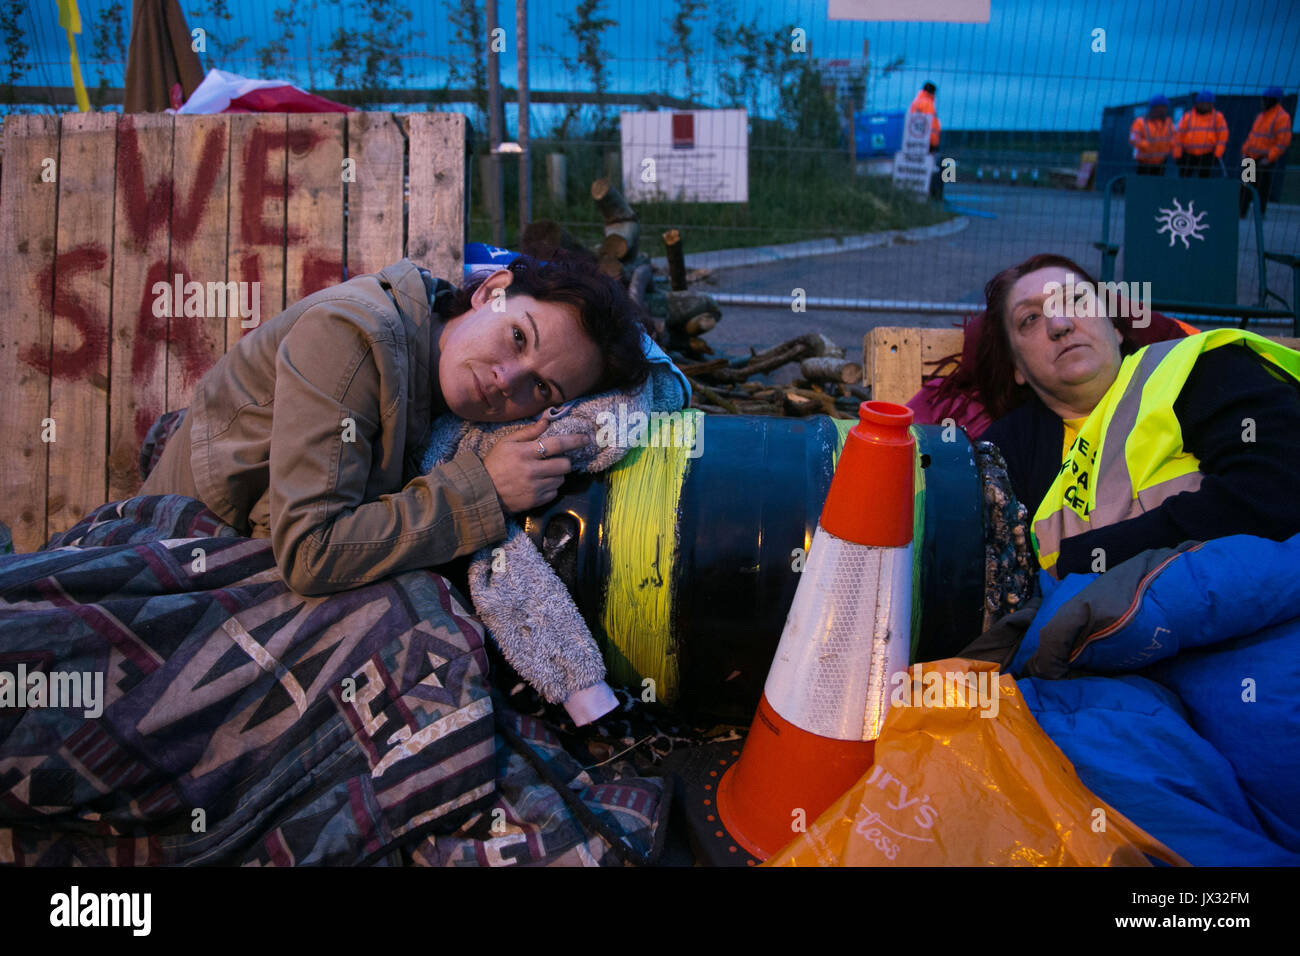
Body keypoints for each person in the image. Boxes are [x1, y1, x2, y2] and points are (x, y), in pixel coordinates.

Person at [141, 253, 653, 596]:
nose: (506, 379)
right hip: (167, 564)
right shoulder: (356, 337)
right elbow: (309, 554)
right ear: (490, 291)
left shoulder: (433, 368)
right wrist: (486, 491)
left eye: (542, 389)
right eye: (519, 337)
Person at [974, 253, 1300, 579]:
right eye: (1030, 319)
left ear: (1114, 326)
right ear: (1016, 366)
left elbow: (1277, 485)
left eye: (1075, 300)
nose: (1060, 324)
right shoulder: (1002, 454)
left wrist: (1081, 561)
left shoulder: (1195, 367)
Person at [1240, 86, 1292, 219]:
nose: (1262, 102)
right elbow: (1253, 136)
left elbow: (1282, 142)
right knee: (1246, 185)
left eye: (1265, 100)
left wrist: (1270, 158)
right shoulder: (1261, 116)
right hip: (1250, 158)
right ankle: (1241, 211)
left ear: (1273, 100)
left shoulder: (1282, 117)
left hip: (1264, 160)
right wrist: (1244, 151)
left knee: (1262, 188)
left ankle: (1260, 213)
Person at [1175, 91, 1228, 178]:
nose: (1205, 105)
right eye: (1203, 103)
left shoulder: (1217, 117)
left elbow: (1223, 137)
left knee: (1204, 180)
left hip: (1207, 155)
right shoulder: (1188, 117)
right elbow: (1178, 137)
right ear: (1197, 103)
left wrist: (1217, 154)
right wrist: (1177, 154)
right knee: (1184, 179)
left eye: (1208, 103)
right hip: (1188, 154)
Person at [909, 81, 942, 199]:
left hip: (916, 141)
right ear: (932, 92)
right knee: (931, 169)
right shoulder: (928, 103)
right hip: (929, 142)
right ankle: (932, 195)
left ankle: (919, 192)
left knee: (917, 168)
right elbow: (930, 125)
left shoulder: (916, 102)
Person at [1130, 95, 1175, 176]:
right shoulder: (1140, 122)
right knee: (1143, 184)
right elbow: (1133, 139)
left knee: (1156, 186)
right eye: (1160, 107)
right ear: (1153, 108)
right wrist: (1147, 145)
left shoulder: (1168, 122)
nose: (1163, 110)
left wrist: (1169, 147)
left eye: (1165, 107)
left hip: (1161, 162)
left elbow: (1174, 138)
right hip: (1143, 162)